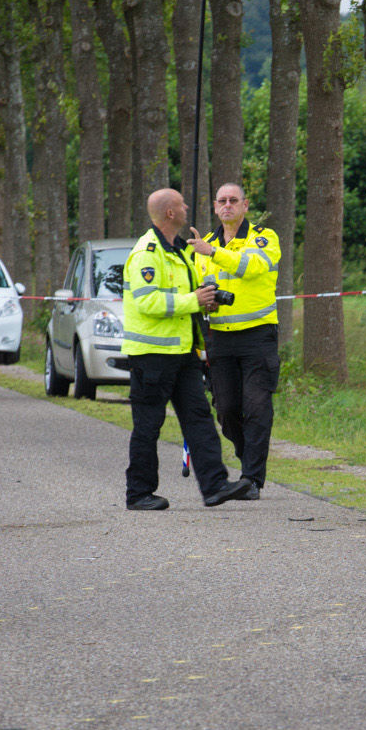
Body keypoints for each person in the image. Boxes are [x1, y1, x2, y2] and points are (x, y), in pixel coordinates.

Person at [122, 188, 254, 511]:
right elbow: (147, 301)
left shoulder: (178, 251)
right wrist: (193, 300)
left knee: (199, 419)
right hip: (151, 357)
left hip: (182, 355)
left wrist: (206, 295)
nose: (186, 207)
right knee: (148, 425)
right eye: (181, 204)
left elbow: (189, 293)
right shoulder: (146, 253)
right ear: (170, 213)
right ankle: (139, 493)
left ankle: (215, 486)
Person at [201, 183, 282, 498]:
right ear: (215, 206)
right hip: (219, 337)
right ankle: (249, 457)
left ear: (245, 205)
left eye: (234, 200)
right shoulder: (205, 244)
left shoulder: (263, 237)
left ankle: (251, 479)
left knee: (257, 406)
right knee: (227, 408)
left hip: (258, 335)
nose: (227, 206)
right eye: (222, 201)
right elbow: (201, 283)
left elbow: (253, 267)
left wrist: (215, 253)